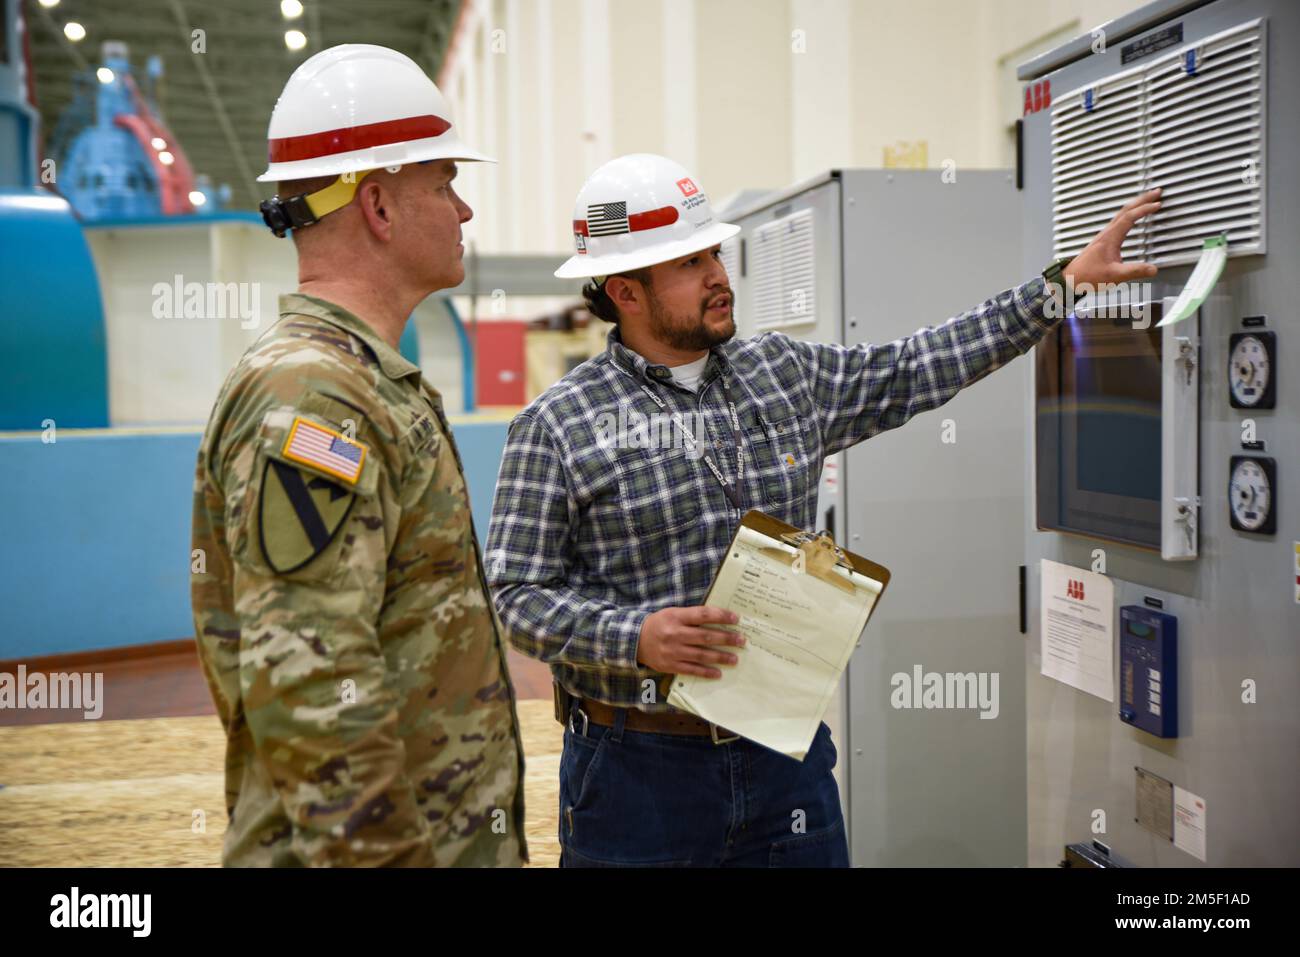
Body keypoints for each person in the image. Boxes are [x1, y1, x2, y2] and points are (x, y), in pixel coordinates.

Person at [485, 151, 1159, 867]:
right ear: (625, 291)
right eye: (688, 263)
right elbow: (517, 594)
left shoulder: (783, 372)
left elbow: (917, 365)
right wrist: (636, 634)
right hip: (636, 776)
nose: (718, 273)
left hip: (784, 757)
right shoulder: (558, 425)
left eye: (714, 250)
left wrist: (1061, 289)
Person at [191, 44, 526, 867]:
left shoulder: (359, 380)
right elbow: (312, 683)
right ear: (377, 204)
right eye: (444, 184)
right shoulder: (316, 393)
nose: (463, 210)